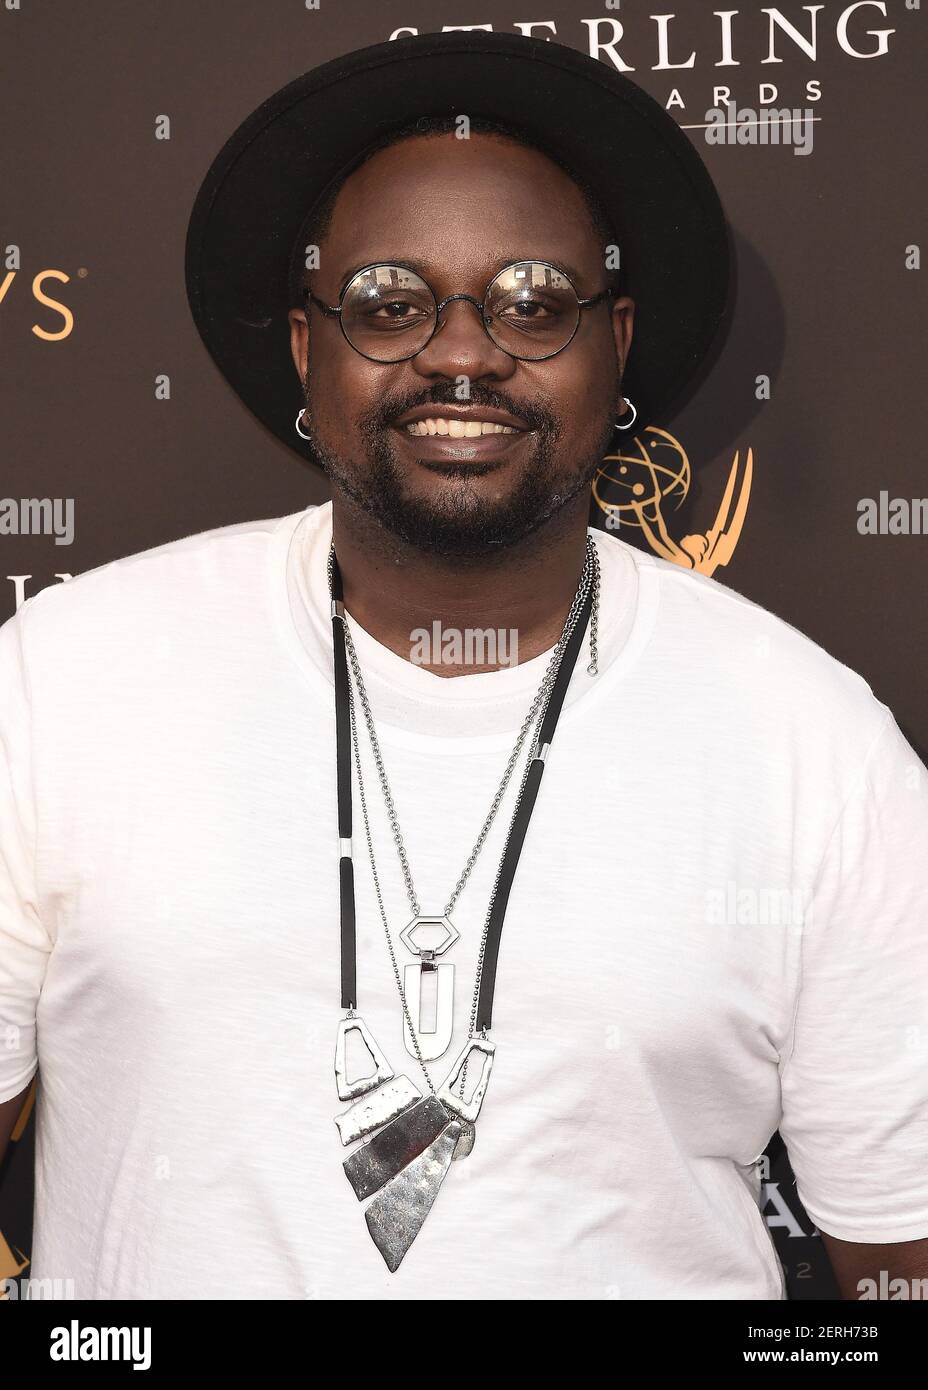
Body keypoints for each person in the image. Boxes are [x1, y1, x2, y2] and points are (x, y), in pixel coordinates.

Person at [1, 31, 926, 1301]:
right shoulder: (63, 680)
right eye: (388, 301)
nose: (460, 352)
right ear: (302, 350)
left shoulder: (813, 743)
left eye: (534, 301)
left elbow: (898, 1253)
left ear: (616, 344)